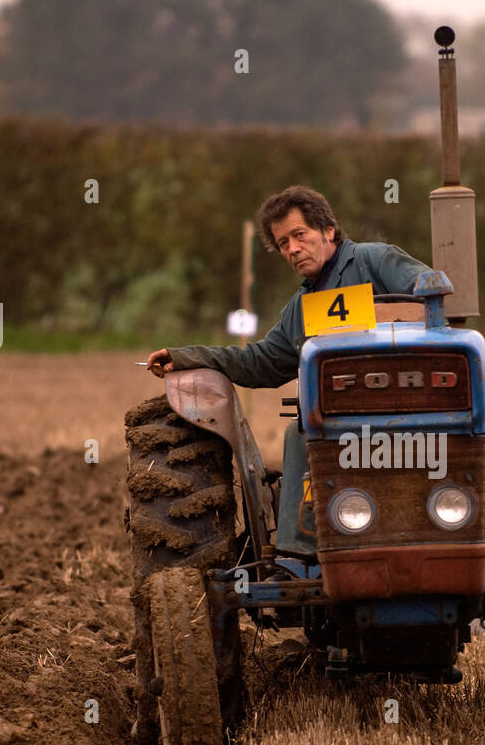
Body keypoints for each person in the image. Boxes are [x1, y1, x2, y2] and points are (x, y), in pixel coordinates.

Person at [145, 185, 430, 556]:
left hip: (411, 408)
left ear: (328, 230)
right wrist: (186, 357)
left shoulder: (374, 260)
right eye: (283, 243)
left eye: (300, 235)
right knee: (299, 432)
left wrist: (387, 320)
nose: (292, 249)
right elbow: (259, 362)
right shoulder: (300, 309)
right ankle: (297, 555)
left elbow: (431, 292)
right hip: (334, 420)